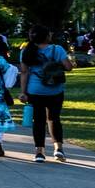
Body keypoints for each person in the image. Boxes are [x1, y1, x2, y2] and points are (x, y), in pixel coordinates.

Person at [20, 25, 74, 163]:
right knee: (54, 119)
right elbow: (68, 67)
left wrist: (23, 92)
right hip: (55, 90)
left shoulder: (26, 51)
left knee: (38, 121)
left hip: (35, 90)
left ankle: (39, 152)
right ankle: (58, 149)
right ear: (46, 36)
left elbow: (24, 73)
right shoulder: (57, 49)